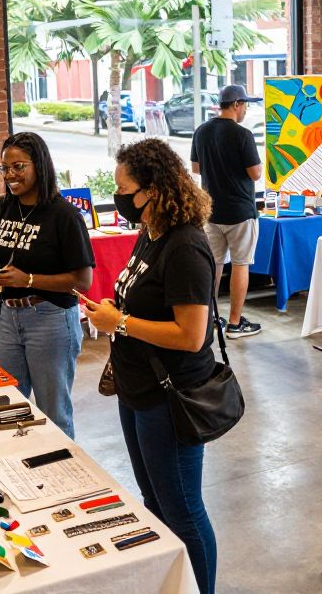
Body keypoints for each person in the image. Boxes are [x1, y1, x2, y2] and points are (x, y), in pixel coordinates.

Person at [82, 138, 218, 594]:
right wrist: (114, 310)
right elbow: (144, 303)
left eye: (125, 188)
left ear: (153, 189)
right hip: (137, 388)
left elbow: (190, 335)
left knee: (182, 509)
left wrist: (118, 321)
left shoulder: (185, 247)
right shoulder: (149, 233)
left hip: (170, 396)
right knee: (154, 502)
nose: (119, 197)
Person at [0, 132, 93, 439]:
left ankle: (64, 478)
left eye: (18, 166)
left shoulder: (64, 215)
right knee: (4, 406)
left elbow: (83, 282)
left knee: (53, 412)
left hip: (51, 319)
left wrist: (28, 280)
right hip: (8, 317)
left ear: (39, 165)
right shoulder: (0, 208)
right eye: (4, 168)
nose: (11, 175)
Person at [191, 84, 263, 337]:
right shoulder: (242, 135)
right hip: (240, 212)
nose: (245, 110)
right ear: (236, 105)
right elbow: (256, 174)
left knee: (213, 266)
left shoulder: (202, 131)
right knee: (241, 265)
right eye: (244, 105)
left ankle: (209, 319)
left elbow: (196, 168)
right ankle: (234, 323)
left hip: (211, 212)